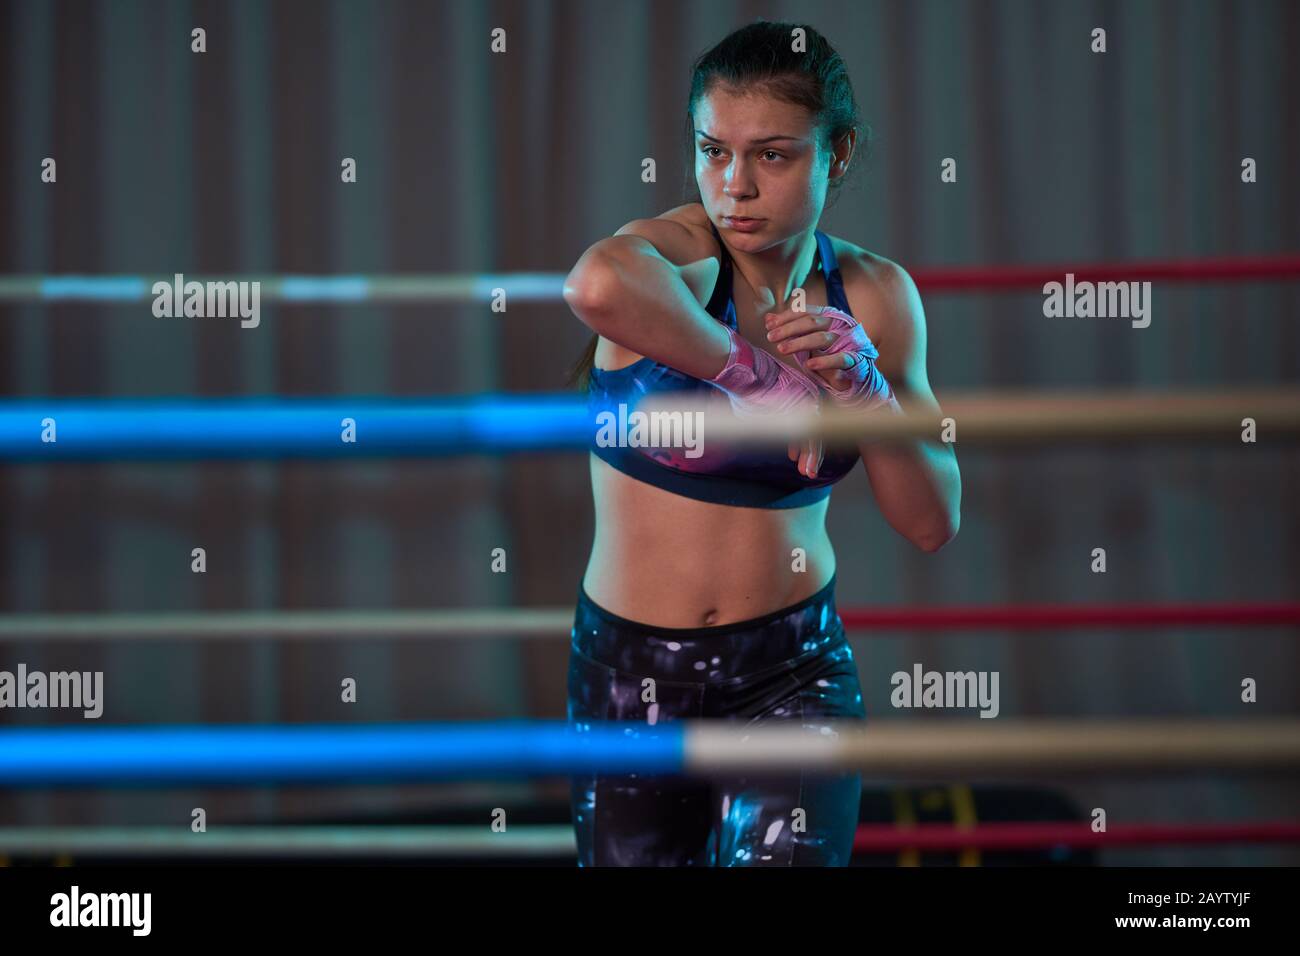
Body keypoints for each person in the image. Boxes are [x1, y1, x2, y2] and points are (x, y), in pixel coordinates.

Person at [561, 20, 961, 866]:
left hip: (793, 671)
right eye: (713, 151)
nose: (733, 187)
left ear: (836, 153)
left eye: (771, 156)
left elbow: (932, 521)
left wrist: (867, 395)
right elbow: (594, 283)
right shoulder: (683, 262)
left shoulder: (875, 297)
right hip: (630, 680)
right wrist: (757, 377)